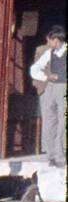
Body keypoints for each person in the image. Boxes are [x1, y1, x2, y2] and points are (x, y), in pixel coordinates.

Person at [29, 25, 66, 167]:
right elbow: (34, 69)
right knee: (50, 121)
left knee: (63, 122)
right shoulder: (48, 52)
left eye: (49, 41)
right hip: (49, 87)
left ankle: (60, 156)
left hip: (64, 88)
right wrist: (46, 77)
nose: (48, 43)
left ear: (56, 40)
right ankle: (51, 155)